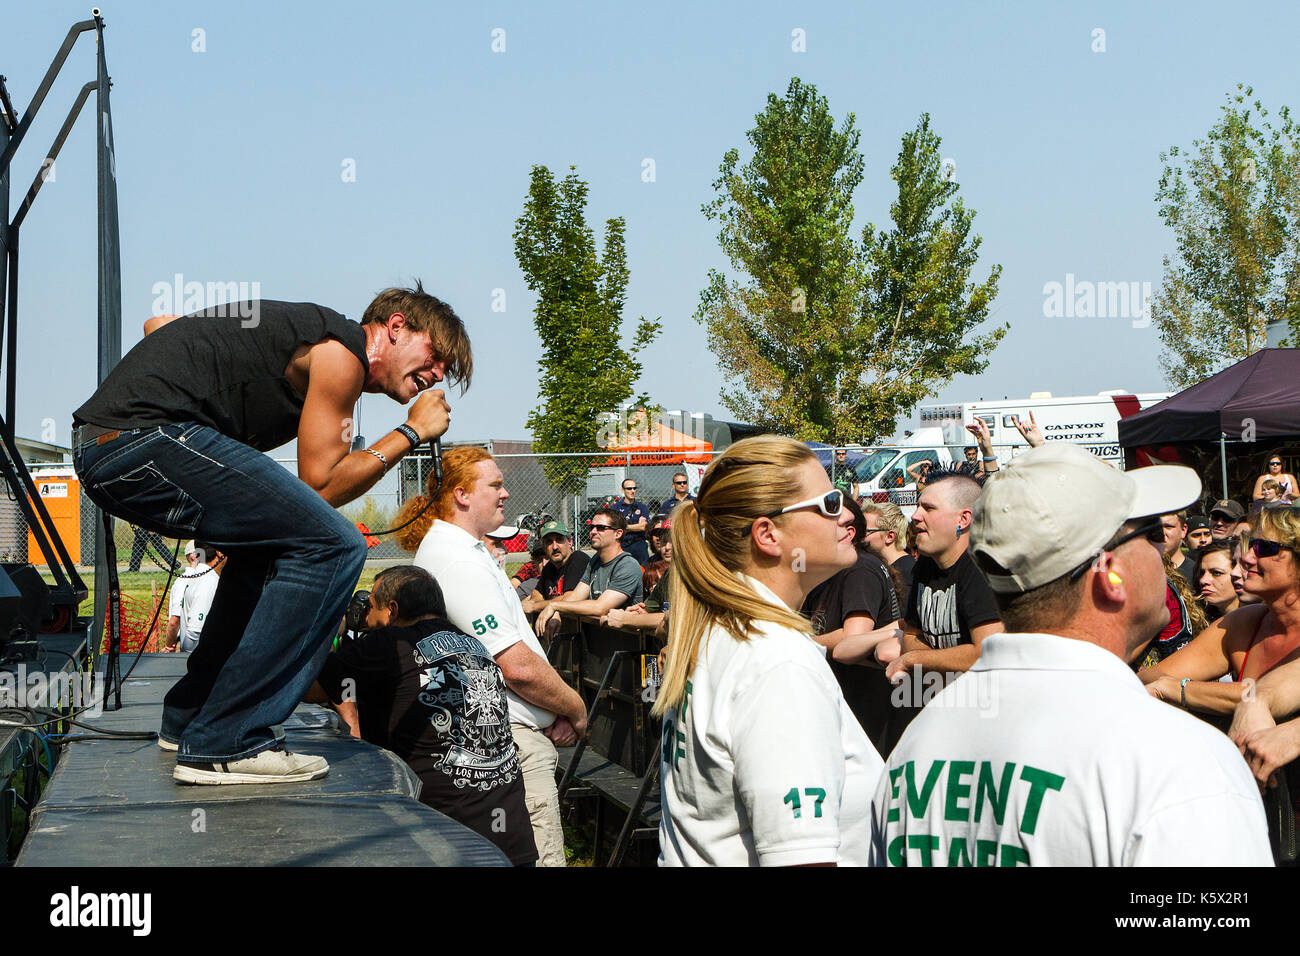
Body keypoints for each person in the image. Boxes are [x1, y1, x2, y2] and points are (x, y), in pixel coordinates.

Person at [73, 287, 463, 784]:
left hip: (107, 448)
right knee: (336, 545)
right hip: (141, 441)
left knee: (268, 545)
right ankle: (228, 740)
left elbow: (159, 324)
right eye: (436, 357)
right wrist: (409, 433)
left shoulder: (304, 343)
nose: (438, 376)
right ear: (396, 326)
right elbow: (320, 486)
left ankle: (191, 717)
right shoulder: (341, 354)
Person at [871, 443, 1271, 866]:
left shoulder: (915, 749)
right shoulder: (1177, 760)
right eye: (1151, 534)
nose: (1164, 554)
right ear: (1110, 576)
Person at [653, 436, 884, 866]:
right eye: (830, 502)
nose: (845, 518)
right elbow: (801, 859)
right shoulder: (777, 661)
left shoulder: (721, 629)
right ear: (768, 534)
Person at [397, 446, 587, 867]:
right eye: (495, 485)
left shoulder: (467, 550)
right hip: (512, 742)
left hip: (509, 740)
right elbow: (516, 666)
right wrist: (575, 707)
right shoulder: (456, 559)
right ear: (462, 495)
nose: (505, 494)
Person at [309, 566, 538, 866]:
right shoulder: (476, 645)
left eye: (372, 607)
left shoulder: (390, 642)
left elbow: (310, 689)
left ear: (392, 610)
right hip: (510, 834)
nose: (366, 617)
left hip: (442, 838)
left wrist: (332, 631)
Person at [802, 497, 905, 755]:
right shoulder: (832, 569)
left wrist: (798, 642)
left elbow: (854, 637)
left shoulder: (860, 569)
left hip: (863, 712)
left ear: (850, 533)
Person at [886, 467, 1003, 690]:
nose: (915, 515)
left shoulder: (982, 567)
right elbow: (911, 636)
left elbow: (986, 652)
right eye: (919, 506)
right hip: (947, 699)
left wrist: (913, 661)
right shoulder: (925, 564)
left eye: (928, 508)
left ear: (963, 519)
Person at [533, 508, 644, 635]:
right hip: (598, 640)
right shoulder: (595, 561)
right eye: (592, 527)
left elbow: (600, 607)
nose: (593, 532)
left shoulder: (627, 565)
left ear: (618, 533)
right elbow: (575, 597)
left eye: (601, 528)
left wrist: (554, 606)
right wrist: (557, 613)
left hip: (625, 643)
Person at [162, 541, 224, 653]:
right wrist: (187, 653)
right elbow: (194, 632)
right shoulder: (208, 581)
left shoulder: (200, 577)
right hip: (202, 660)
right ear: (219, 553)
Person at [520, 520, 589, 614]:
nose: (555, 547)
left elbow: (570, 599)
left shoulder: (578, 559)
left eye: (559, 540)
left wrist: (535, 606)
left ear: (570, 542)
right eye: (549, 542)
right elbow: (536, 595)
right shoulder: (549, 567)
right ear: (544, 547)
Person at [861, 501, 915, 608]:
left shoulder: (908, 572)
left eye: (865, 531)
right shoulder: (880, 566)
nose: (858, 536)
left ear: (890, 536)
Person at [610, 479, 652, 565]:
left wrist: (626, 527)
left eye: (634, 488)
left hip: (639, 544)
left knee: (644, 572)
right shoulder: (616, 508)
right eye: (629, 488)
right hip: (622, 545)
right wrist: (637, 526)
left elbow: (644, 526)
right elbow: (616, 527)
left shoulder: (642, 507)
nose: (632, 491)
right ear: (623, 490)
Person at [1161, 511, 1195, 583]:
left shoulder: (1197, 574)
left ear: (1183, 530)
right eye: (1156, 527)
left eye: (1168, 527)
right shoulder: (1140, 571)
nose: (1161, 533)